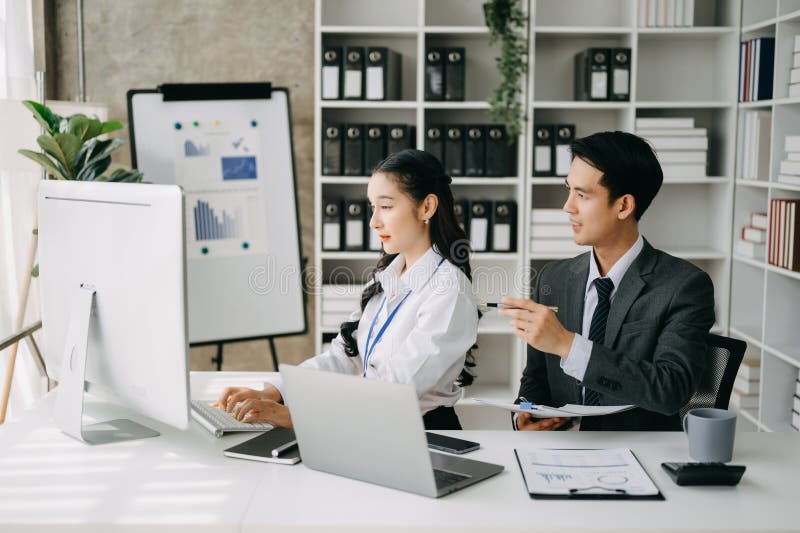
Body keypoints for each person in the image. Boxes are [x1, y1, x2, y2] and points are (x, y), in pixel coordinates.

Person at [217, 149, 478, 430]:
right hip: (370, 426)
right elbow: (346, 356)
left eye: (386, 207)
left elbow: (394, 391)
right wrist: (277, 392)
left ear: (427, 207)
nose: (373, 221)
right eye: (372, 207)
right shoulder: (387, 277)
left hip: (422, 436)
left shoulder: (448, 290)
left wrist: (295, 417)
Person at [500, 131, 715, 431]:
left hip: (640, 455)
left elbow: (671, 390)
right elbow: (535, 378)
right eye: (568, 190)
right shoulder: (554, 278)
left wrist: (567, 344)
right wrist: (523, 414)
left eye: (582, 195)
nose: (567, 207)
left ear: (624, 206)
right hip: (562, 451)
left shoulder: (684, 286)